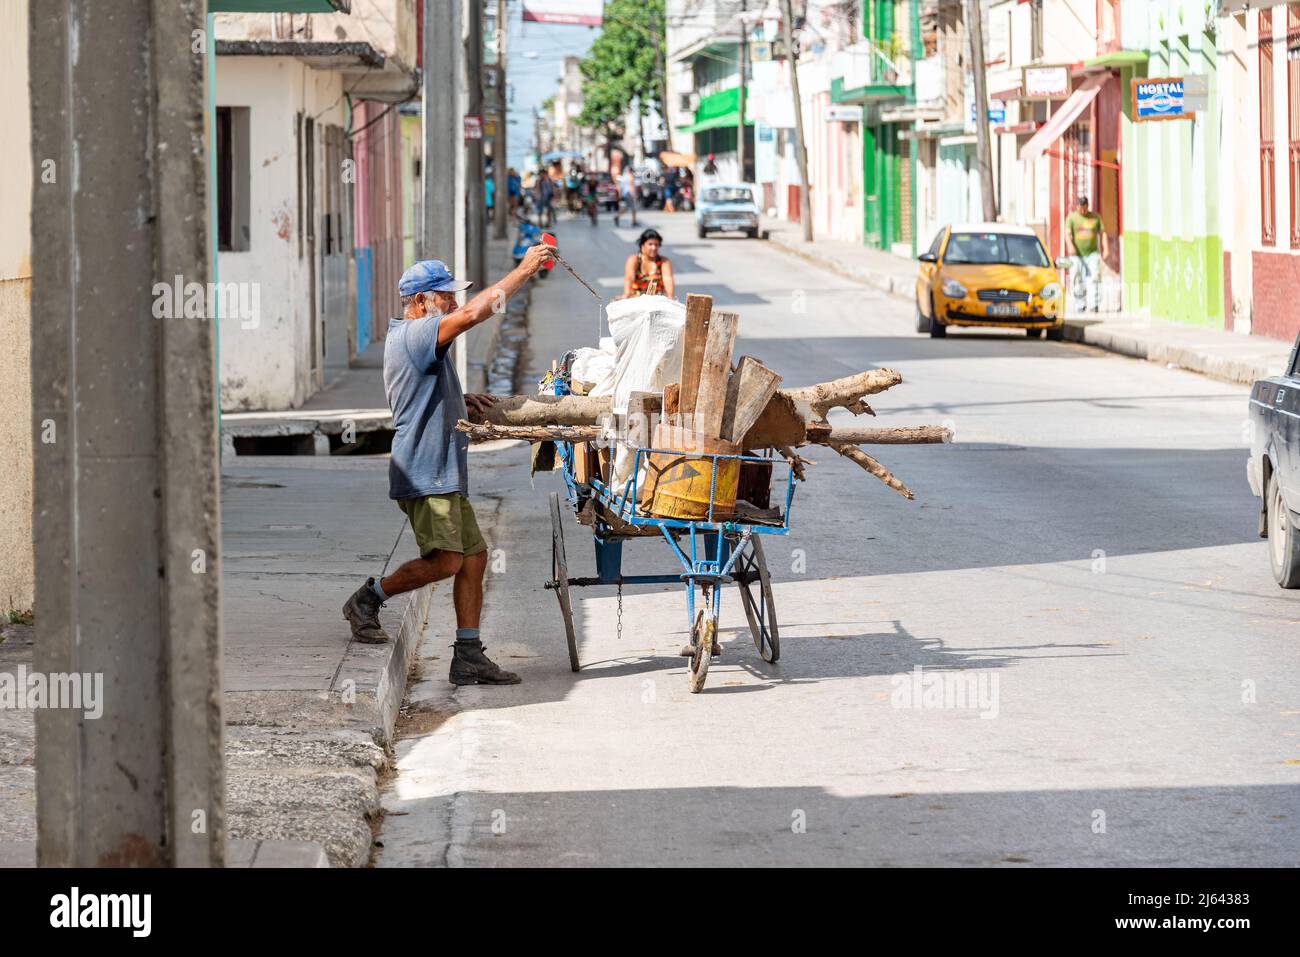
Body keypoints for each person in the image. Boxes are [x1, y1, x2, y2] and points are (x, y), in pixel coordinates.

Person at [341, 244, 556, 686]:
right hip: (424, 470)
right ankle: (368, 598)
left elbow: (427, 388)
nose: (453, 304)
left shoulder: (420, 340)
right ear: (422, 301)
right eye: (446, 296)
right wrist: (525, 270)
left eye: (454, 296)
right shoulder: (416, 333)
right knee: (447, 562)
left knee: (474, 558)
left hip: (443, 471)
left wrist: (463, 398)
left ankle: (468, 654)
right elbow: (475, 314)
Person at [1065, 195, 1109, 313]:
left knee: (1095, 276)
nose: (1083, 211)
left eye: (1085, 208)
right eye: (1080, 208)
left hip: (1092, 253)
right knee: (1077, 277)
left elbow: (1103, 233)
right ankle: (1080, 304)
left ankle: (1094, 304)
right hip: (1077, 255)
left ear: (1087, 206)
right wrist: (1070, 245)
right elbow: (1067, 233)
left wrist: (1106, 249)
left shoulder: (1095, 217)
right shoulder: (1072, 218)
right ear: (1077, 207)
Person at [621, 228, 675, 299]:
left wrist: (670, 296)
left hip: (657, 300)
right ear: (642, 245)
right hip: (637, 299)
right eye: (650, 244)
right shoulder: (634, 260)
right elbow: (629, 278)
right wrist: (626, 294)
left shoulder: (664, 262)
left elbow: (668, 279)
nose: (654, 247)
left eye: (656, 245)